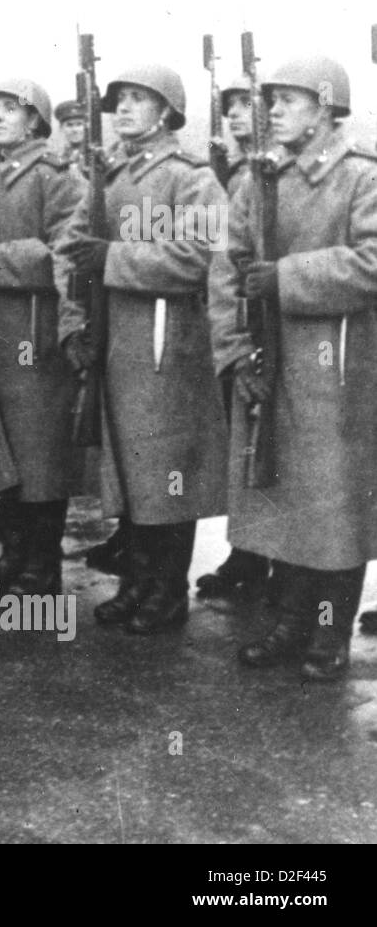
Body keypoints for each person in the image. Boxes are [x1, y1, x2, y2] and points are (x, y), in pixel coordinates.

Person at [208, 56, 376, 680]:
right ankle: (288, 623)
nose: (271, 111)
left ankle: (327, 636)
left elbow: (372, 262)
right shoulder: (257, 181)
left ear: (327, 108)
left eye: (289, 100)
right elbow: (228, 270)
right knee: (282, 501)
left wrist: (286, 277)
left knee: (335, 508)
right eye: (270, 99)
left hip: (339, 369)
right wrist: (231, 351)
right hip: (269, 363)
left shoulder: (360, 178)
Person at [56, 63, 228, 634]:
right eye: (120, 100)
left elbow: (203, 256)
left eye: (137, 100)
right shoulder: (109, 177)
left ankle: (167, 590)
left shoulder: (190, 177)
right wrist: (73, 321)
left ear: (167, 112)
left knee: (165, 470)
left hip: (166, 348)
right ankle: (137, 583)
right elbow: (73, 249)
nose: (123, 109)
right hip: (115, 344)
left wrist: (114, 260)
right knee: (129, 470)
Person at [0, 78, 87, 596]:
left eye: (12, 109)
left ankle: (42, 567)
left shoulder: (57, 177)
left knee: (42, 455)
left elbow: (68, 253)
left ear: (36, 122)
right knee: (7, 453)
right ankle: (19, 555)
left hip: (39, 330)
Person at [195, 73, 272, 601]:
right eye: (232, 108)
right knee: (247, 445)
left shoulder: (265, 174)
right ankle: (249, 555)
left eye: (248, 104)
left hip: (275, 323)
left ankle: (266, 560)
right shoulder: (235, 174)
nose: (238, 115)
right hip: (237, 324)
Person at [54, 99, 86, 168]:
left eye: (79, 124)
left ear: (86, 126)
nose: (75, 130)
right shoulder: (58, 159)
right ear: (61, 128)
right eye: (69, 125)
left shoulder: (94, 156)